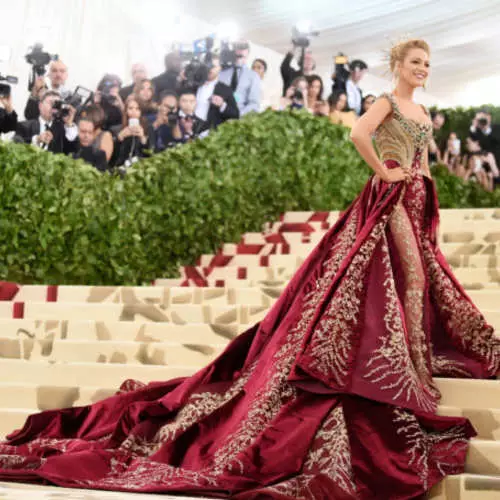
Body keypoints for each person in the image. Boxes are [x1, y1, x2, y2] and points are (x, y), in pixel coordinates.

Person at [0, 38, 499, 500]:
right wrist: (385, 171)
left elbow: (424, 160)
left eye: (427, 64)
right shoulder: (388, 102)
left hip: (415, 199)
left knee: (421, 278)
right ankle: (403, 362)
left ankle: (412, 354)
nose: (423, 69)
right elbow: (358, 133)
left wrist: (425, 189)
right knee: (403, 279)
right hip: (387, 198)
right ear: (399, 66)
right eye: (416, 62)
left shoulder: (423, 110)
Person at [195, 57, 239, 131]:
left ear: (220, 68)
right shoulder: (193, 85)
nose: (209, 69)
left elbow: (235, 114)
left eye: (213, 66)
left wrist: (222, 105)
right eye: (207, 65)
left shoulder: (225, 89)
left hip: (210, 134)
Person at [218, 41, 261, 116]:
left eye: (243, 49)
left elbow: (254, 104)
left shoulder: (253, 76)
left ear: (247, 53)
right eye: (237, 48)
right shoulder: (221, 73)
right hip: (218, 116)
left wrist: (238, 115)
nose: (240, 51)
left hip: (239, 119)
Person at [112, 95, 152, 168]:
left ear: (141, 112)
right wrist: (119, 138)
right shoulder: (116, 129)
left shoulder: (148, 129)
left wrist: (143, 140)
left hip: (140, 169)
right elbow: (111, 156)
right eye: (130, 108)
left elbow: (150, 155)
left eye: (137, 109)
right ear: (126, 110)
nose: (134, 112)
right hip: (120, 168)